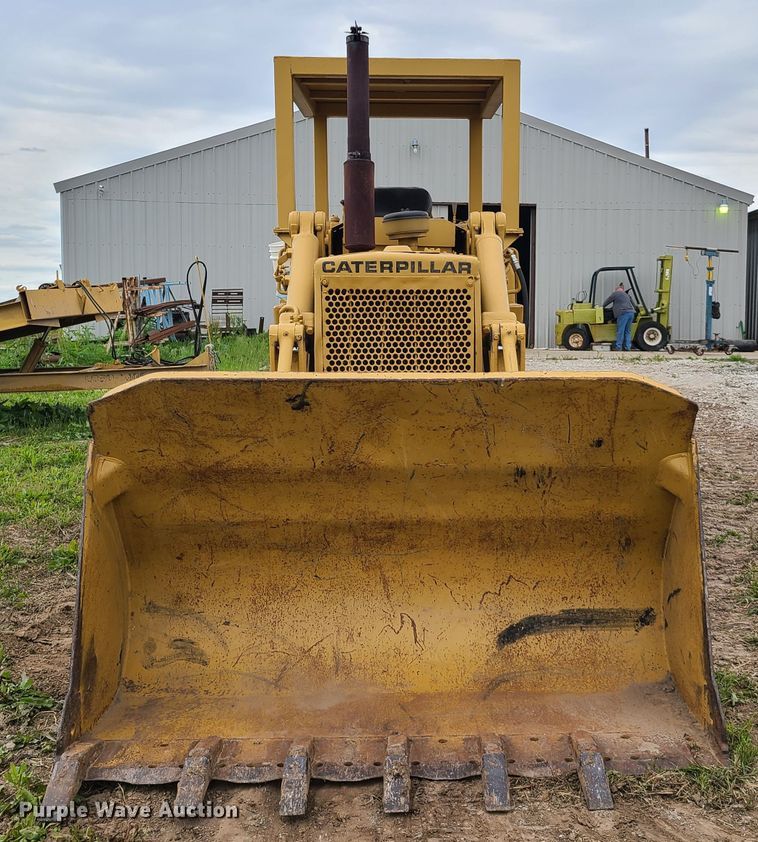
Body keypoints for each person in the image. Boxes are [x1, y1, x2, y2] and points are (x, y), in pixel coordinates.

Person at [603, 283, 636, 351]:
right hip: (631, 313)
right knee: (627, 331)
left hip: (623, 313)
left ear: (617, 289)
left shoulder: (616, 293)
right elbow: (634, 305)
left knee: (620, 330)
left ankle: (618, 347)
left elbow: (607, 301)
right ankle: (627, 347)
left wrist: (601, 307)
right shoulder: (627, 295)